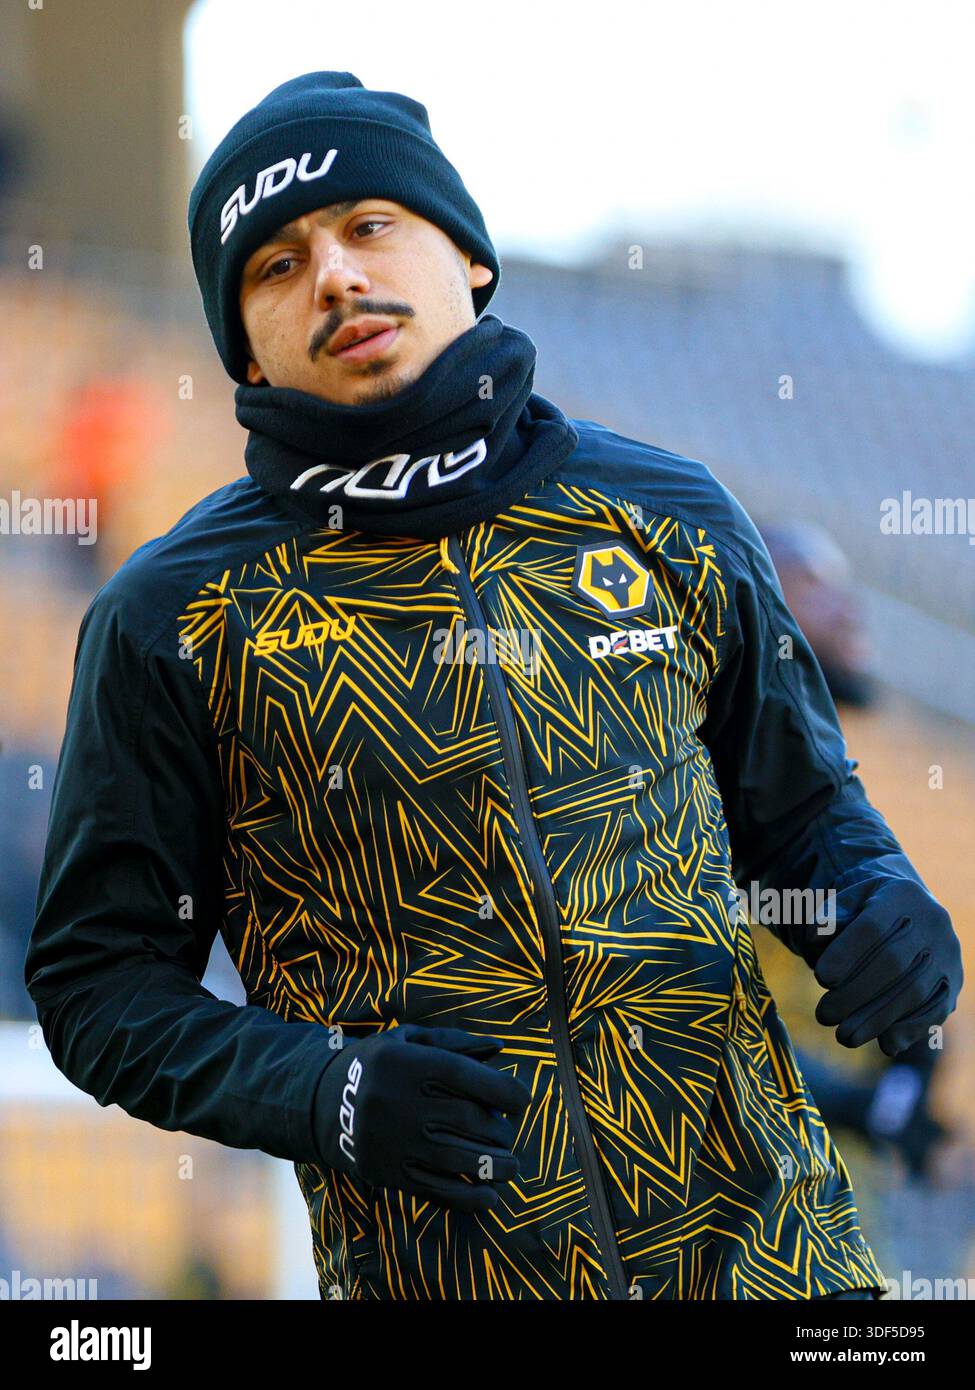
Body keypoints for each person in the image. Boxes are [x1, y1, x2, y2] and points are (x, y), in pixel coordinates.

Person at [25, 71, 962, 1302]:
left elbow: (804, 814)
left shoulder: (670, 513)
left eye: (371, 227)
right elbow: (98, 987)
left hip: (789, 1273)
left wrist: (884, 893)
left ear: (463, 253)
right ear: (241, 341)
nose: (337, 278)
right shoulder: (173, 616)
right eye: (276, 265)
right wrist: (327, 1089)